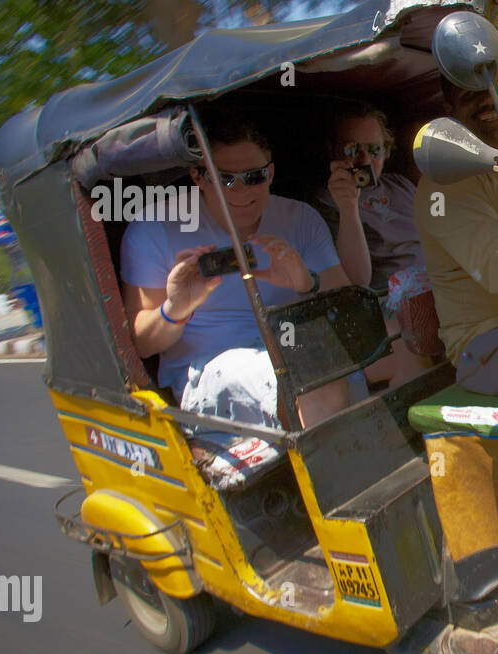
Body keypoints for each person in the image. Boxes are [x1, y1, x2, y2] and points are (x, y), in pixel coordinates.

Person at [120, 114, 353, 429]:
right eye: (225, 178)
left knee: (406, 345)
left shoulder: (299, 218)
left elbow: (347, 305)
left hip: (296, 344)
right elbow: (142, 343)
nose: (242, 190)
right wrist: (177, 307)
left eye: (254, 176)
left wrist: (306, 284)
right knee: (316, 379)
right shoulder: (155, 227)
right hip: (210, 368)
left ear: (270, 174)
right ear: (198, 177)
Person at [412, 82, 498, 400]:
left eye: (494, 88)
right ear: (451, 111)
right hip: (489, 343)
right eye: (470, 93)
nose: (486, 99)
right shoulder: (443, 185)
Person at [318, 101, 433, 386]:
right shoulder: (324, 201)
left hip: (436, 286)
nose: (364, 160)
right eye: (352, 150)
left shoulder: (401, 186)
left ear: (387, 151)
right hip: (384, 303)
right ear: (333, 151)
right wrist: (348, 207)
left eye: (374, 149)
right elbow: (357, 280)